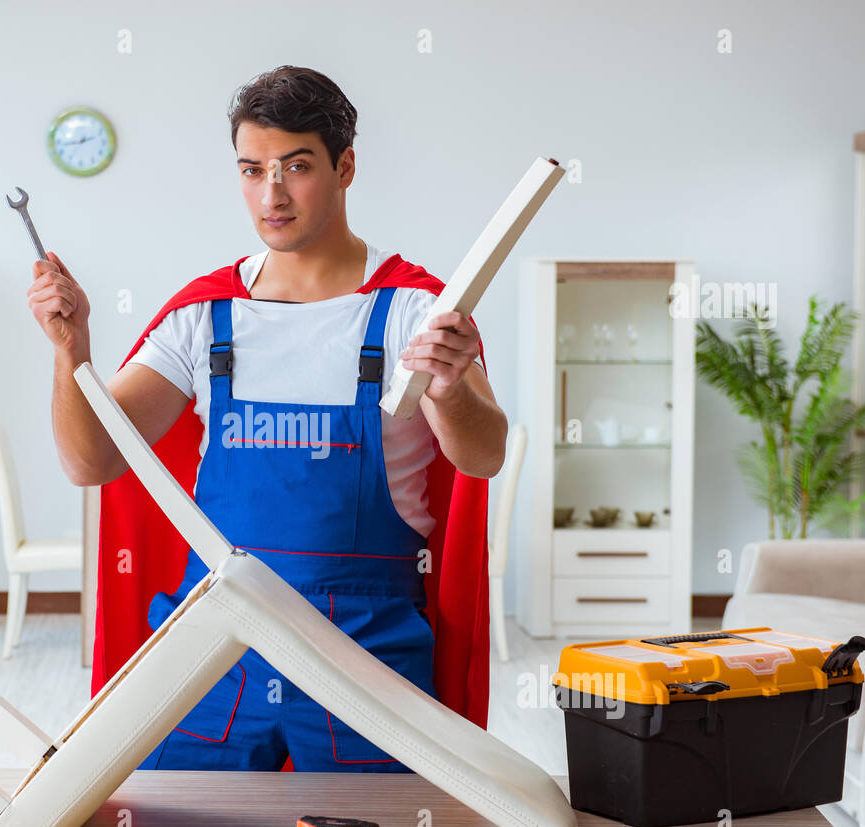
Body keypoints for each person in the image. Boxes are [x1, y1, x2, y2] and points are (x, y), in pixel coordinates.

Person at [26, 65, 507, 772]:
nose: (271, 194)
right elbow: (90, 460)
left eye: (296, 167)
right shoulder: (203, 315)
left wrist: (449, 385)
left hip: (366, 648)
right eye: (252, 171)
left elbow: (483, 455)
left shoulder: (415, 309)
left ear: (346, 167)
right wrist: (72, 351)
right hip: (216, 641)